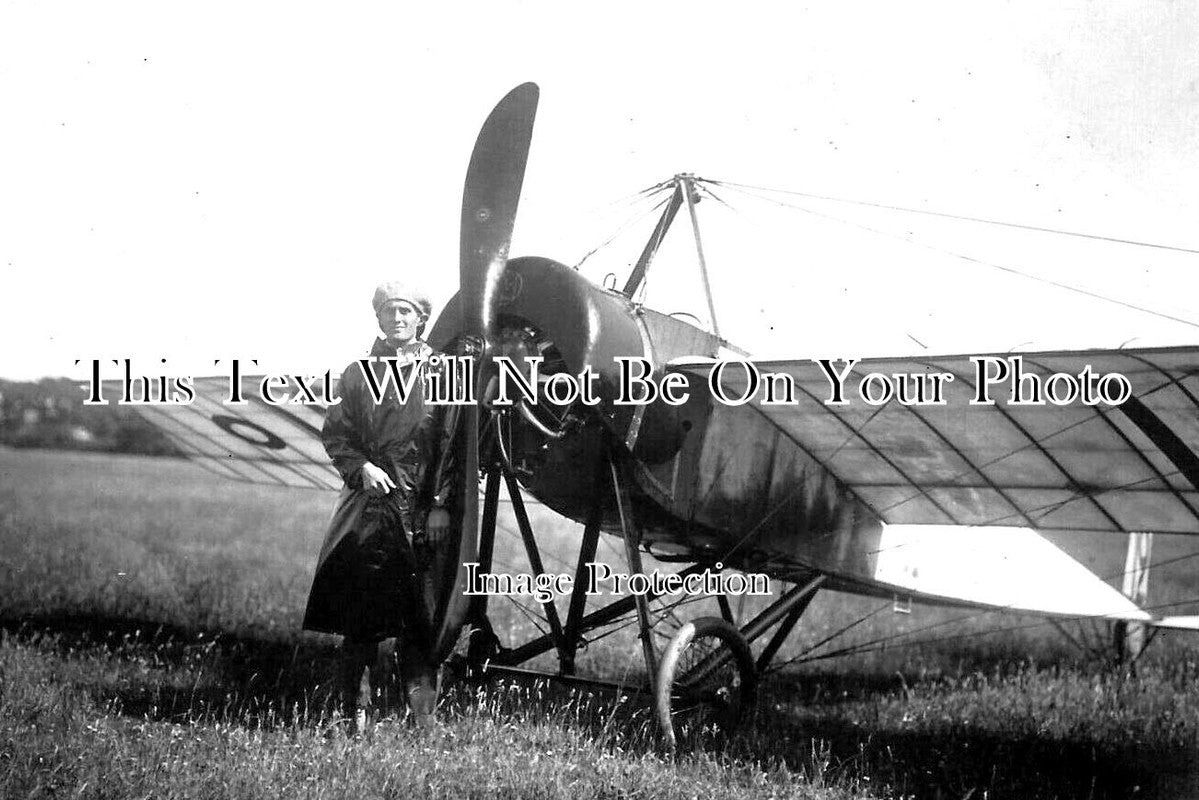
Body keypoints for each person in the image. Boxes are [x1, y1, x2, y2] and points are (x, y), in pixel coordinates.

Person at [302, 280, 457, 731]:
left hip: (423, 509)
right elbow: (337, 434)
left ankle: (423, 719)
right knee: (361, 617)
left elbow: (451, 443)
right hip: (369, 508)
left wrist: (441, 504)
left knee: (422, 618)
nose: (398, 318)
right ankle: (354, 714)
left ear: (421, 319)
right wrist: (362, 467)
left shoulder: (443, 372)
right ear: (379, 317)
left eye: (406, 311)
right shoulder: (357, 373)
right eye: (390, 310)